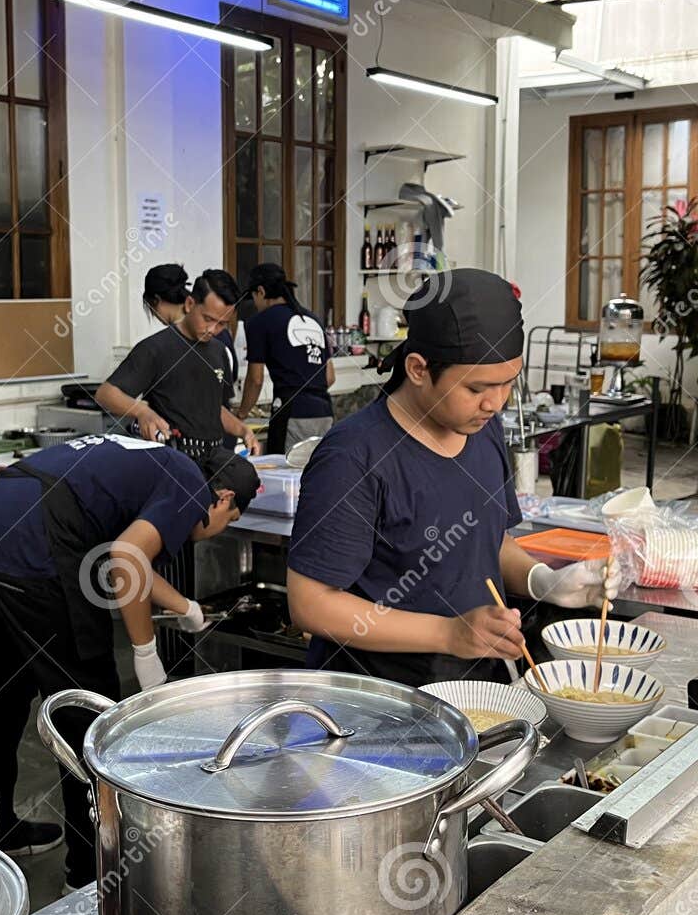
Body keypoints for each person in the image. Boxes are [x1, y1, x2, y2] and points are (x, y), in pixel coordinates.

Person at [0, 433, 260, 889]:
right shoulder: (190, 487)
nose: (214, 530)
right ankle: (91, 873)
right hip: (35, 548)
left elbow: (135, 561)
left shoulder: (161, 461)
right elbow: (127, 559)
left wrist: (186, 608)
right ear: (223, 498)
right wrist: (146, 656)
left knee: (2, 690)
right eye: (227, 522)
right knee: (87, 707)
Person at [286, 269, 617, 688]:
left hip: (475, 691)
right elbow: (311, 605)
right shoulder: (354, 457)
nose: (495, 403)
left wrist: (544, 580)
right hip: (379, 701)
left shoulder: (481, 430)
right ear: (419, 369)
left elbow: (488, 541)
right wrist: (449, 633)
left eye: (508, 384)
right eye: (478, 387)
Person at [96, 267, 259, 468]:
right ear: (190, 304)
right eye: (208, 319)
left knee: (247, 482)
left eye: (222, 324)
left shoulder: (218, 351)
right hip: (173, 462)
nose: (212, 330)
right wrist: (142, 412)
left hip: (214, 459)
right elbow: (106, 394)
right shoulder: (156, 348)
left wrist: (243, 430)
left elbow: (214, 409)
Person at [237, 263, 335, 455]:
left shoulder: (260, 321)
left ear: (261, 291)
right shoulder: (312, 319)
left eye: (254, 297)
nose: (255, 304)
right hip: (325, 413)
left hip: (291, 412)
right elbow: (329, 377)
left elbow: (255, 380)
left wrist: (241, 414)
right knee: (318, 472)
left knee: (286, 475)